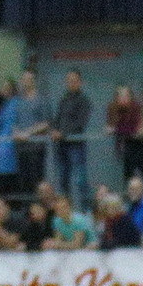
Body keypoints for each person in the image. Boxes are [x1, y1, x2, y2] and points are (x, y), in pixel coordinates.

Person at [54, 69, 93, 205]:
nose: (71, 83)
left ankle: (86, 208)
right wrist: (54, 130)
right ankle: (65, 208)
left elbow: (80, 123)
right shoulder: (64, 99)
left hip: (76, 144)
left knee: (80, 178)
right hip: (62, 145)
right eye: (69, 80)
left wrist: (63, 133)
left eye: (74, 80)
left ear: (80, 82)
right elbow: (58, 118)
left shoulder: (84, 101)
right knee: (63, 178)